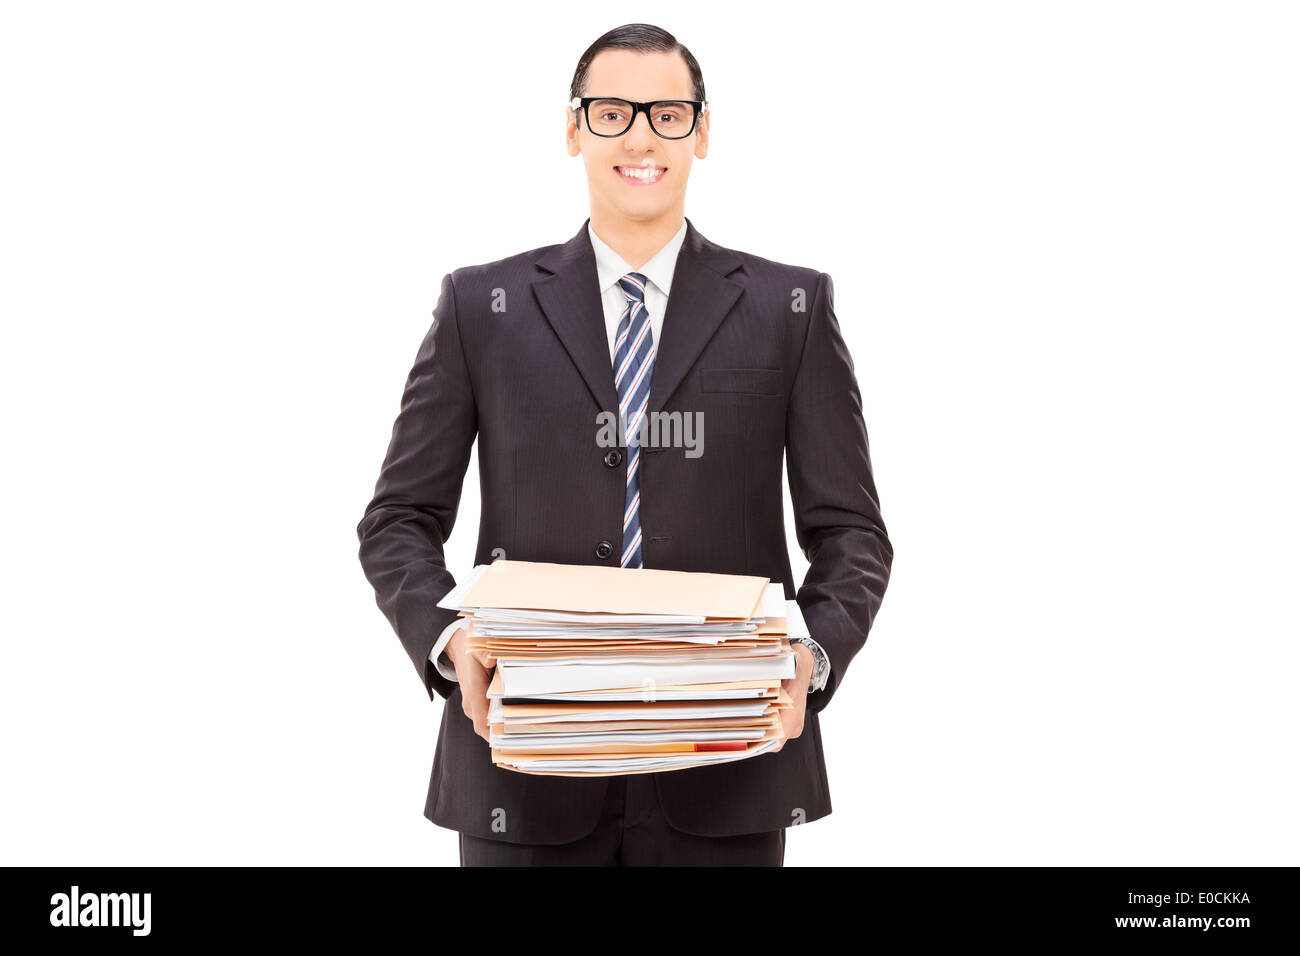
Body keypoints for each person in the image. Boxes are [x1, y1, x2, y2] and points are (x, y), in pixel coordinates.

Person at [356, 22, 893, 866]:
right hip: (525, 764)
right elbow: (397, 519)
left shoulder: (791, 308)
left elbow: (854, 534)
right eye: (612, 112)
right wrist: (451, 640)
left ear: (702, 132)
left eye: (668, 113)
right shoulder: (478, 307)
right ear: (573, 130)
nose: (641, 136)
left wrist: (810, 655)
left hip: (726, 764)